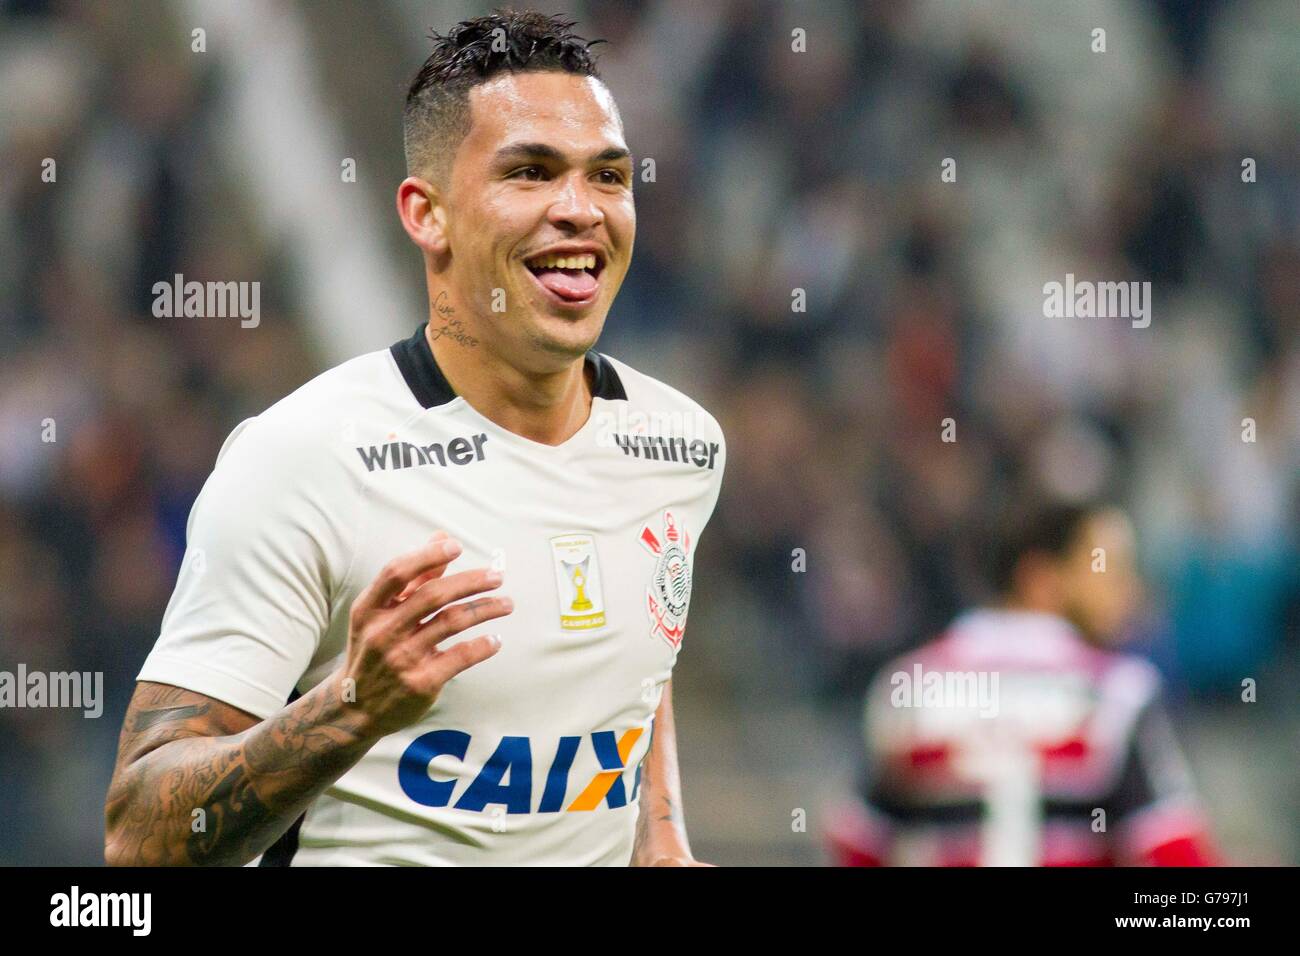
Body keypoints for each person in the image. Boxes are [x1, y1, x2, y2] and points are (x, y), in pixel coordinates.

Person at [104, 10, 724, 866]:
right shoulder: (302, 461)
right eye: (531, 173)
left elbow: (637, 664)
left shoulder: (680, 447)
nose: (579, 209)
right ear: (426, 214)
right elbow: (141, 837)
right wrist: (353, 705)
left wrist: (661, 836)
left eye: (608, 176)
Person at [825, 502, 1219, 866]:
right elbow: (1176, 860)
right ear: (1040, 578)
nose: (1128, 591)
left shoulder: (907, 689)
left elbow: (857, 848)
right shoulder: (1116, 693)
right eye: (1108, 568)